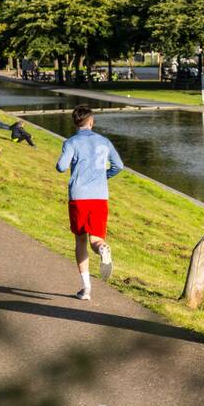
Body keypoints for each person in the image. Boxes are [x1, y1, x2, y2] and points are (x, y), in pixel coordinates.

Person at [55, 106, 122, 301]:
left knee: (80, 240)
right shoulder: (105, 141)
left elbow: (61, 167)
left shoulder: (71, 142)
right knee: (96, 239)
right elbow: (119, 166)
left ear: (75, 123)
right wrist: (104, 176)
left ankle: (86, 288)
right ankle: (102, 249)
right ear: (91, 122)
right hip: (100, 196)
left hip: (79, 197)